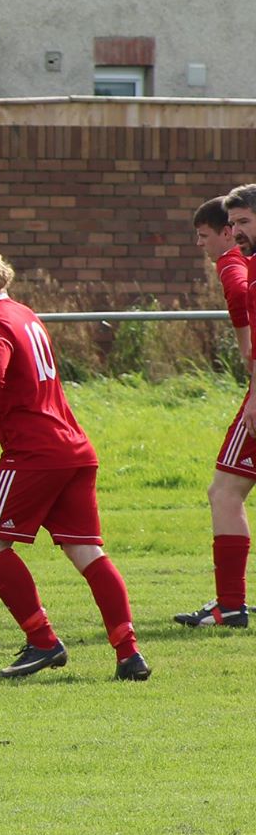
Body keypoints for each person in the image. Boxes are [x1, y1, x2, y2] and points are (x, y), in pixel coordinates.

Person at [0, 238, 150, 680]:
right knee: (88, 553)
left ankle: (43, 641)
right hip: (73, 448)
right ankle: (129, 654)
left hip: (36, 455)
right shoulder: (25, 315)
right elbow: (29, 393)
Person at [180, 185, 256, 628]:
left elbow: (242, 309)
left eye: (242, 223)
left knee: (224, 491)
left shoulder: (235, 266)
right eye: (233, 224)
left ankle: (229, 605)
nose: (235, 232)